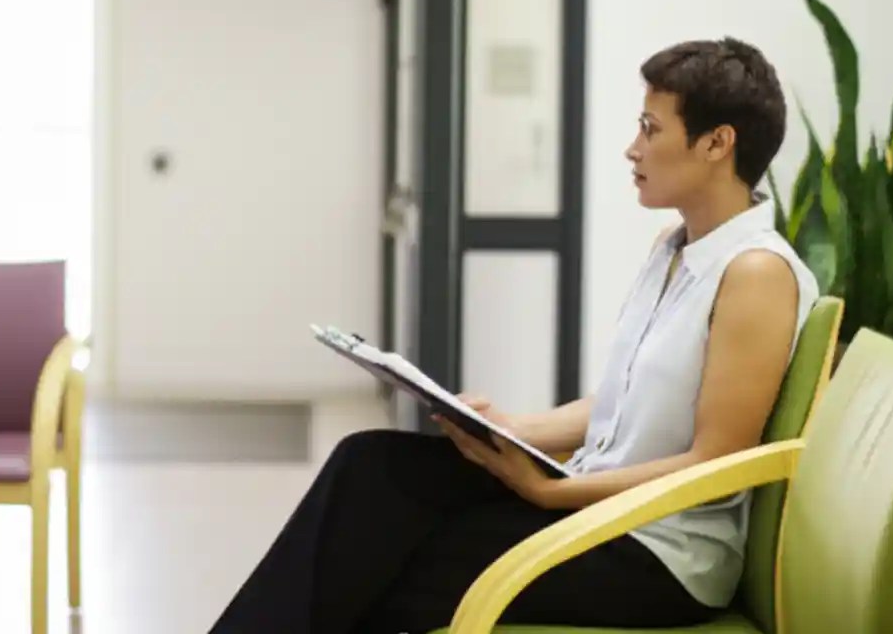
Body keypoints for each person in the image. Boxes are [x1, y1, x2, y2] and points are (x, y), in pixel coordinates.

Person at [208, 37, 821, 634]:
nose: (633, 149)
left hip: (657, 553)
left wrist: (555, 493)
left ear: (717, 143)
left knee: (390, 570)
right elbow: (621, 407)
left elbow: (716, 460)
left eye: (650, 129)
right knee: (371, 465)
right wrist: (511, 430)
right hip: (599, 508)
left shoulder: (755, 274)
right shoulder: (674, 250)